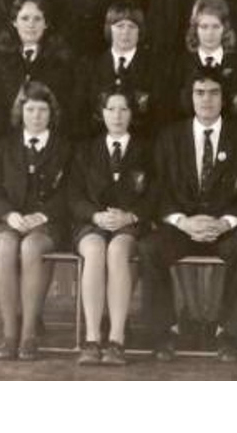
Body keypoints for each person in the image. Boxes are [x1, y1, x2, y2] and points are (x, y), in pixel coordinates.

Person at [140, 69, 237, 362]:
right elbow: (158, 190)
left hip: (224, 228)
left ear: (225, 98)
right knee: (149, 248)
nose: (207, 100)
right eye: (200, 93)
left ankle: (229, 335)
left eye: (214, 92)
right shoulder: (170, 137)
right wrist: (182, 221)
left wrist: (224, 222)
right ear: (189, 97)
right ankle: (164, 333)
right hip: (183, 226)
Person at [0, 81, 73, 361]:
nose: (36, 116)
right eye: (31, 109)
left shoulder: (64, 147)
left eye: (43, 110)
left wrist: (43, 215)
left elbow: (70, 191)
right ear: (20, 111)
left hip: (49, 223)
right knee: (6, 246)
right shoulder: (4, 146)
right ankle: (9, 334)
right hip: (9, 220)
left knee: (32, 247)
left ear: (51, 113)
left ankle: (28, 334)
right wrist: (9, 215)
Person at [69, 88, 154, 366]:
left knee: (117, 250)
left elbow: (156, 194)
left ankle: (117, 340)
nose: (117, 116)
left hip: (129, 224)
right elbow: (73, 195)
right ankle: (92, 339)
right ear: (101, 113)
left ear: (132, 113)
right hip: (92, 222)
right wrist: (94, 216)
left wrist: (131, 216)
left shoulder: (147, 149)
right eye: (111, 109)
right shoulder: (85, 149)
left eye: (124, 109)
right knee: (94, 249)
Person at [0, 0, 73, 139]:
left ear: (46, 24)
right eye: (25, 18)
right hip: (8, 144)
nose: (31, 25)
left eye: (37, 19)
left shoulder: (61, 60)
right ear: (14, 22)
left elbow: (66, 110)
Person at [73, 0, 165, 138]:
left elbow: (159, 117)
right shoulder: (90, 66)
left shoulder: (155, 68)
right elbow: (82, 114)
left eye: (132, 26)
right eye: (120, 26)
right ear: (109, 28)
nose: (125, 32)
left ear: (140, 31)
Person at [170, 0, 237, 123]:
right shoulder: (180, 65)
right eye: (204, 27)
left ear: (225, 29)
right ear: (195, 29)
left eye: (215, 27)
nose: (210, 33)